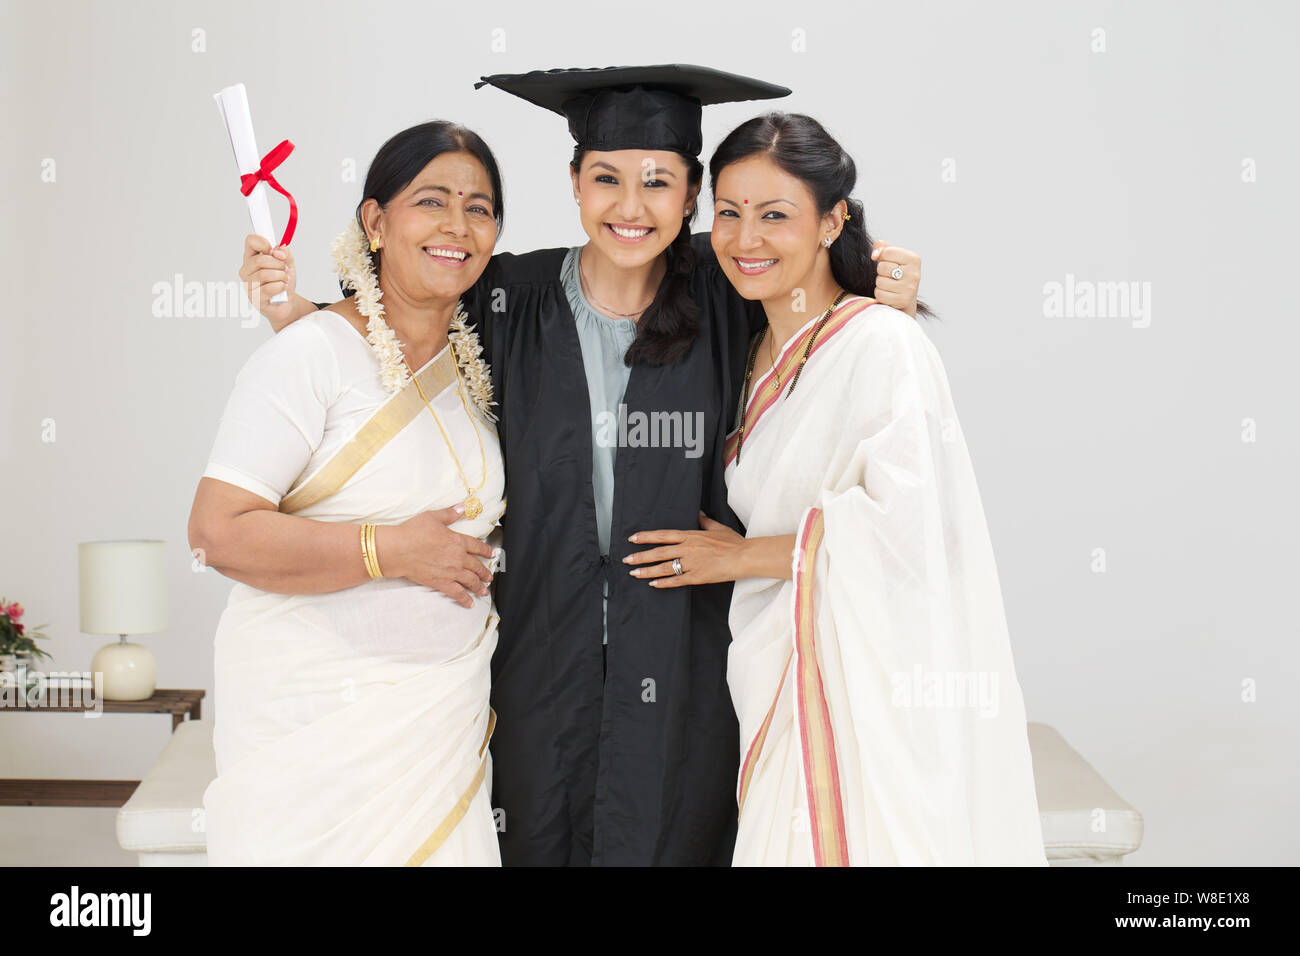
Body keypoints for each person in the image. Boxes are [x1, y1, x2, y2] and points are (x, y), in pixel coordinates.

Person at [239, 66, 924, 865]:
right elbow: (393, 335)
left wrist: (882, 289)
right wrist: (294, 310)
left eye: (658, 183)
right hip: (535, 650)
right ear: (572, 183)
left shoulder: (733, 286)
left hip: (685, 653)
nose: (630, 208)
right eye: (606, 179)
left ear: (692, 195)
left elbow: (823, 318)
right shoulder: (504, 297)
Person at [625, 112, 1047, 865]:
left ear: (832, 221)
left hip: (864, 692)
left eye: (776, 215)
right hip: (775, 673)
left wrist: (740, 559)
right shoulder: (746, 339)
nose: (746, 238)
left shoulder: (882, 343)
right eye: (728, 212)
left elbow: (911, 533)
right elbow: (624, 243)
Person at [190, 121, 507, 865]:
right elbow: (217, 533)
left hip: (439, 736)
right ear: (375, 221)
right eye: (431, 201)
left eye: (479, 208)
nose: (457, 226)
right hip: (314, 735)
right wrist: (388, 549)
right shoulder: (309, 355)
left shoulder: (477, 370)